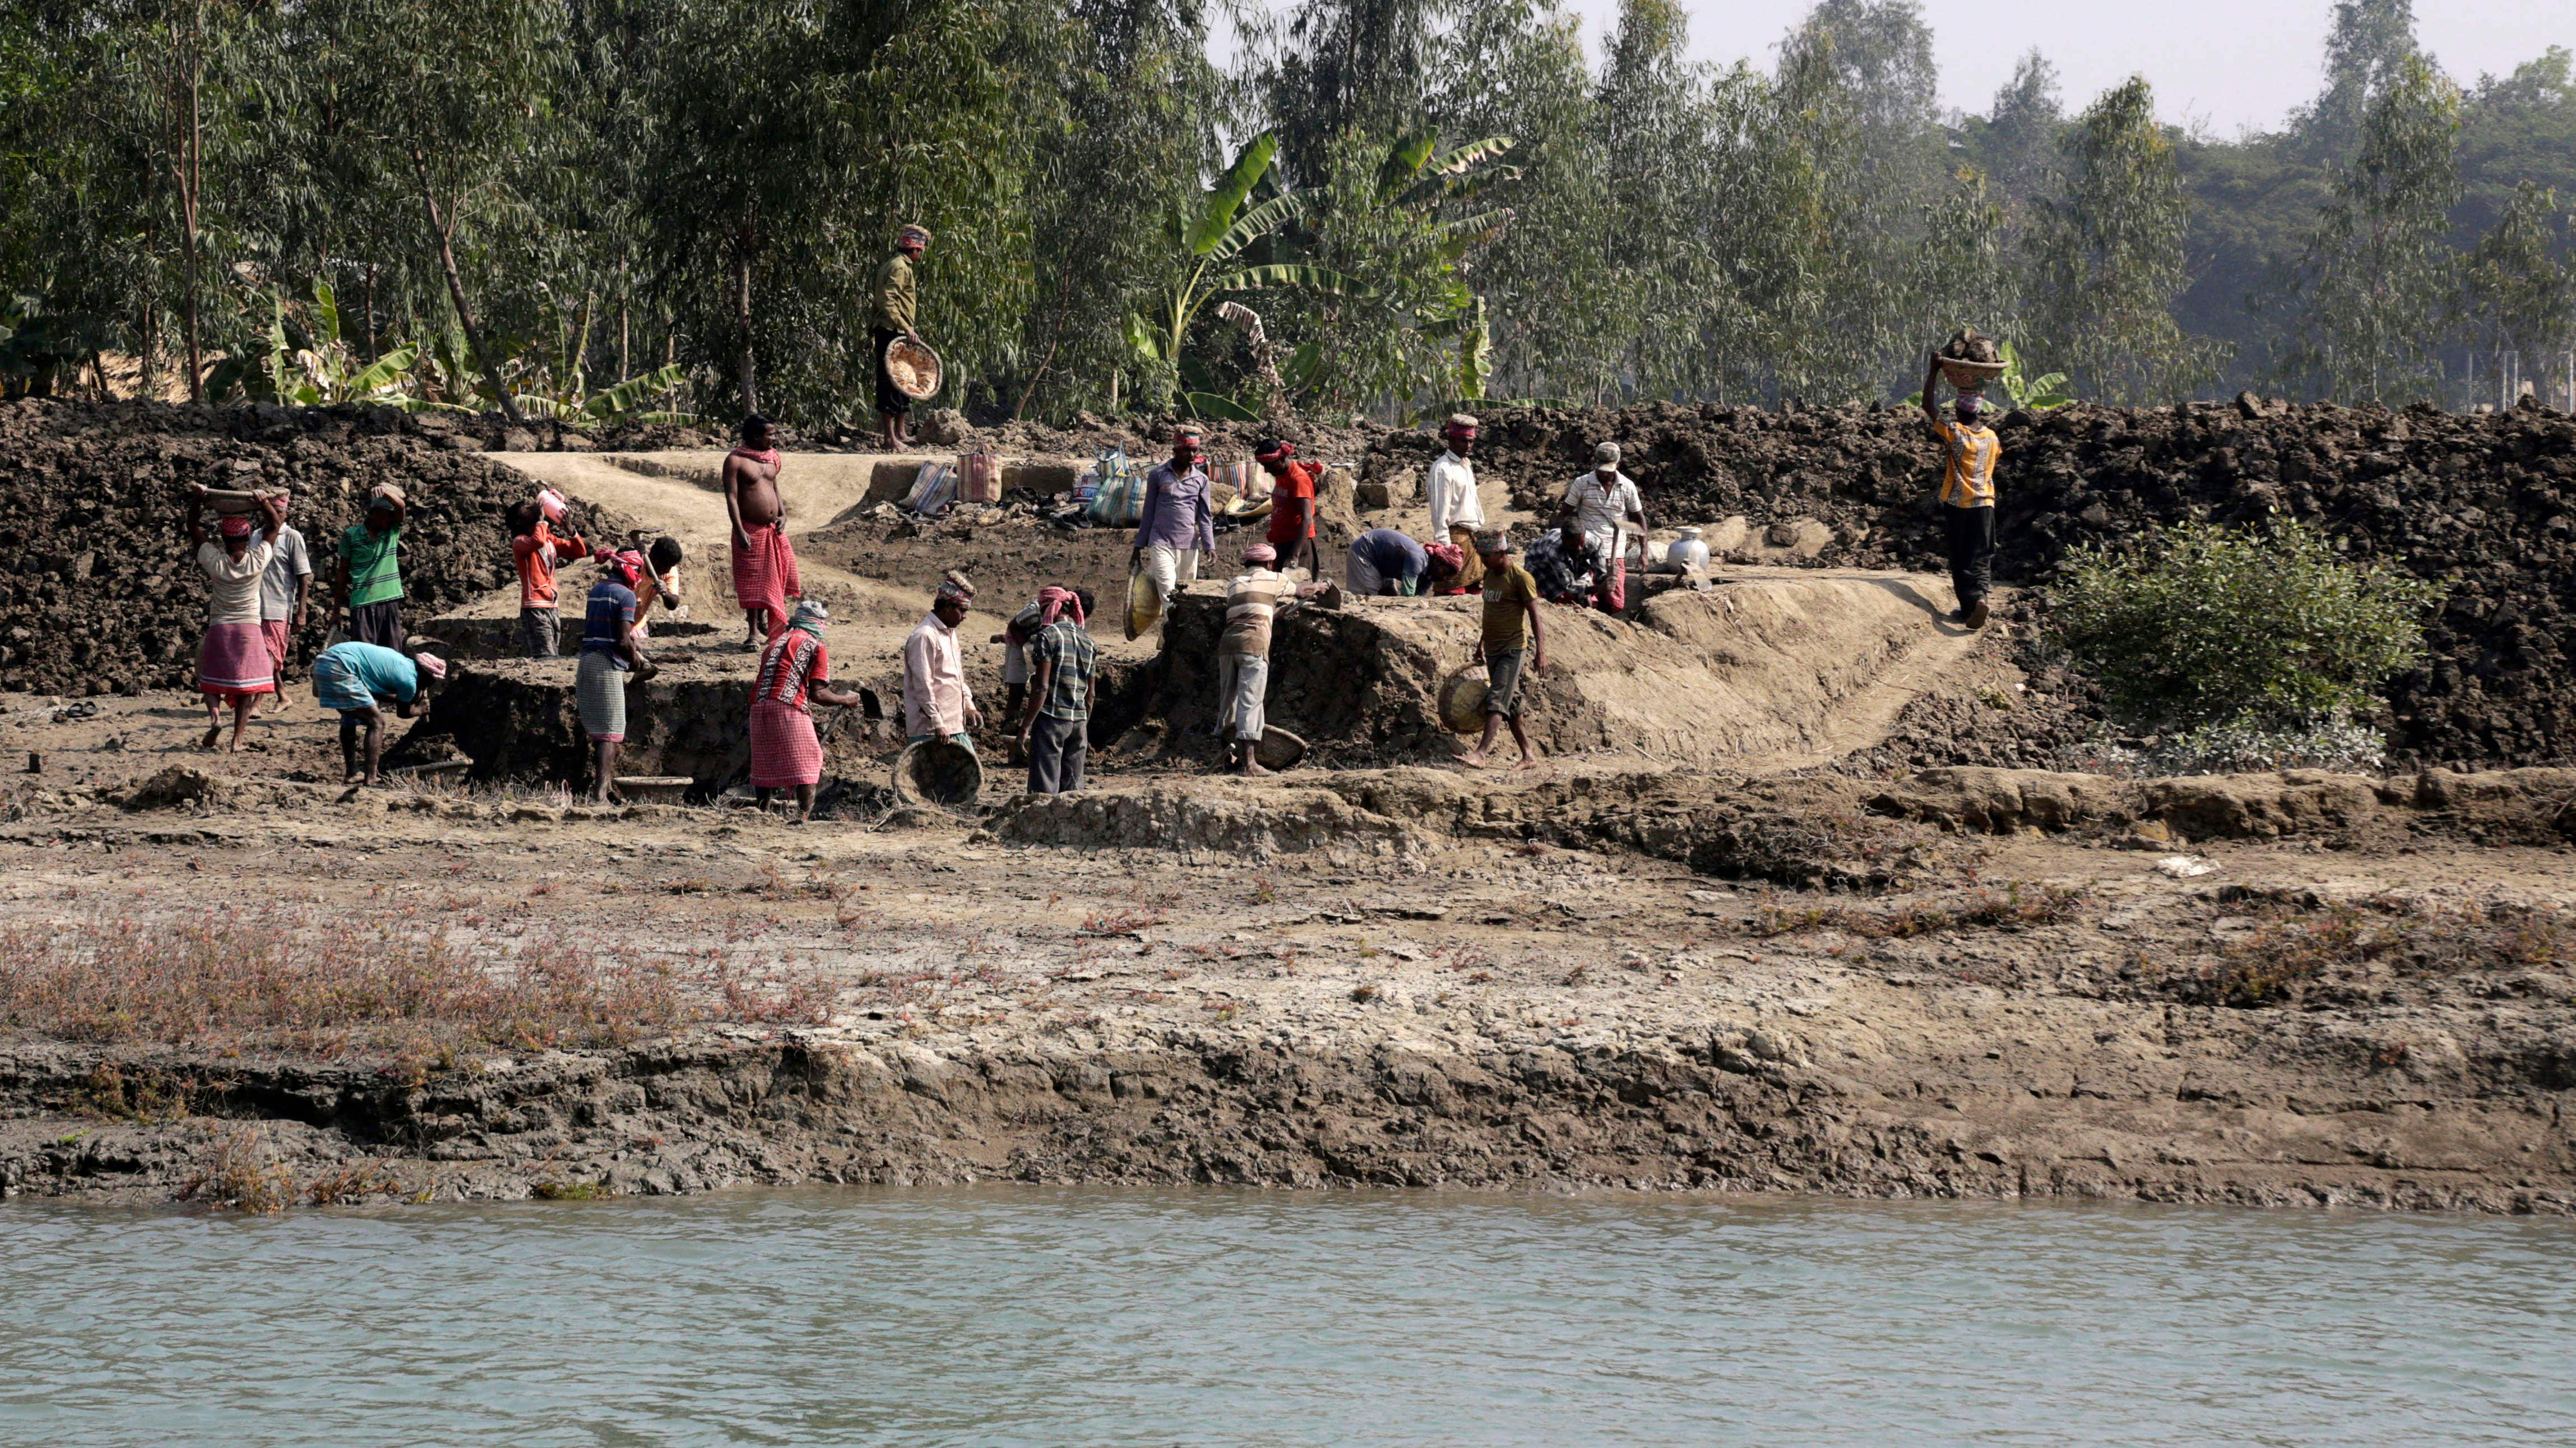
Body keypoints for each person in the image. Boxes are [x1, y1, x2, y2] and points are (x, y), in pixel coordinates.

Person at [186, 489, 284, 752]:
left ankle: (216, 718)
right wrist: (264, 503)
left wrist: (199, 499)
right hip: (248, 630)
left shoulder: (215, 561)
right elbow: (275, 525)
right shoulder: (258, 560)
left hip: (220, 628)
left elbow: (192, 526)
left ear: (224, 538)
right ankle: (237, 740)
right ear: (247, 537)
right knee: (246, 688)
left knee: (210, 679)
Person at [750, 599, 865, 821]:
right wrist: (846, 700)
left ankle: (761, 815)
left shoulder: (775, 643)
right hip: (787, 704)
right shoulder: (815, 646)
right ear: (817, 624)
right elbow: (818, 694)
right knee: (809, 760)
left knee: (765, 762)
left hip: (758, 705)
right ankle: (803, 816)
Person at [1920, 358, 2001, 629]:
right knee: (1981, 556)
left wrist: (1934, 371)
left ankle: (1969, 608)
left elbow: (1928, 407)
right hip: (1985, 504)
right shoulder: (1992, 438)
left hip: (1959, 503)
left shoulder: (1956, 433)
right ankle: (1980, 598)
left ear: (1958, 409)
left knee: (1960, 557)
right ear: (1980, 409)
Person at [1213, 543, 1300, 775]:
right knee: (1251, 701)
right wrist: (1321, 587)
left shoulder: (1235, 583)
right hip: (1254, 645)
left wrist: (1274, 614)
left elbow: (1247, 611)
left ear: (1246, 564)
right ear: (1270, 564)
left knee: (1228, 702)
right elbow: (1302, 592)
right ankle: (1250, 765)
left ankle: (1227, 760)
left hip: (1228, 645)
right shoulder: (1274, 579)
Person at [1463, 530, 1545, 771]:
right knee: (1512, 703)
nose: (1483, 561)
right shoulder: (1489, 576)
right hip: (1492, 649)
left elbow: (1535, 617)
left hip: (1512, 649)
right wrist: (1481, 643)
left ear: (1501, 553)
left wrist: (1541, 651)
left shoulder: (1520, 578)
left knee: (1497, 698)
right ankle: (1528, 755)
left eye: (1486, 556)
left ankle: (1481, 753)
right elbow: (1491, 613)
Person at [309, 640, 444, 786]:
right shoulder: (409, 682)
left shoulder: (401, 664)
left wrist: (411, 702)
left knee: (350, 716)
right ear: (427, 677)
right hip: (342, 667)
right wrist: (420, 710)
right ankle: (371, 778)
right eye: (433, 681)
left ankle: (352, 773)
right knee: (377, 723)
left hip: (325, 661)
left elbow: (372, 692)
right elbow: (403, 713)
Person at [577, 549, 653, 804]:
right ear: (630, 571)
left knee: (601, 732)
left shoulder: (597, 590)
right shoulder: (626, 595)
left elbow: (611, 631)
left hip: (587, 661)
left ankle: (608, 791)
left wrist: (634, 649)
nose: (640, 579)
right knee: (610, 734)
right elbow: (622, 640)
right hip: (606, 665)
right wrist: (636, 663)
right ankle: (600, 797)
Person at [725, 414, 800, 650]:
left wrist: (783, 514)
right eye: (770, 434)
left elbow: (774, 487)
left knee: (775, 580)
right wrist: (739, 530)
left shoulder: (773, 458)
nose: (774, 438)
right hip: (749, 530)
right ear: (756, 436)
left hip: (772, 531)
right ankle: (752, 634)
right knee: (753, 583)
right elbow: (732, 497)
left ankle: (772, 628)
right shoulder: (735, 461)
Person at [1131, 428, 1215, 631]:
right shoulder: (1158, 475)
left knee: (1185, 596)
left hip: (1189, 544)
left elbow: (1205, 516)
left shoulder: (1201, 480)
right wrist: (1138, 545)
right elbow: (1149, 511)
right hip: (1160, 542)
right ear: (1176, 451)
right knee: (1169, 593)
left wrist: (1209, 545)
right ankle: (1172, 633)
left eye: (1195, 450)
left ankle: (1174, 638)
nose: (1193, 455)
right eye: (1188, 450)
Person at [1020, 586, 1099, 795]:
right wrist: (1084, 726)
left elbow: (1041, 686)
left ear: (1048, 610)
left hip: (1052, 720)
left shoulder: (1047, 637)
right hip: (1079, 722)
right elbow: (1090, 694)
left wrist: (1025, 727)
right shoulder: (1088, 642)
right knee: (1073, 792)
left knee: (1044, 789)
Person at [1557, 442, 1648, 614]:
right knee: (1588, 598)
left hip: (1615, 552)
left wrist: (1644, 553)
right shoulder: (1582, 484)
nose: (1605, 474)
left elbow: (1639, 518)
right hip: (1587, 553)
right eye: (1602, 470)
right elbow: (1565, 514)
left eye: (1609, 471)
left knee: (1616, 602)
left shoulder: (1627, 486)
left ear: (1618, 465)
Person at [251, 489, 312, 717]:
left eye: (277, 512)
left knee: (269, 654)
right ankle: (283, 695)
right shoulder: (257, 535)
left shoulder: (292, 537)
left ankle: (256, 702)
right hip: (255, 605)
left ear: (285, 514)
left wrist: (301, 611)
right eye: (269, 511)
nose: (273, 516)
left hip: (278, 606)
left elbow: (303, 576)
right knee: (264, 654)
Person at [904, 578, 983, 747]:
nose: (964, 617)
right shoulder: (925, 636)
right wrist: (937, 723)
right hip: (932, 731)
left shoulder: (950, 634)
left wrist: (969, 706)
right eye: (962, 610)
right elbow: (923, 685)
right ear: (948, 607)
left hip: (954, 725)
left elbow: (956, 678)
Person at [509, 490, 588, 659]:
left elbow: (579, 552)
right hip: (535, 606)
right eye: (525, 508)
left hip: (551, 605)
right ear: (518, 521)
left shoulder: (549, 539)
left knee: (553, 653)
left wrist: (571, 531)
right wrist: (541, 520)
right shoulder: (520, 542)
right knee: (546, 656)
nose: (531, 507)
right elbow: (537, 542)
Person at [873, 224, 930, 450]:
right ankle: (890, 438)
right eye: (921, 251)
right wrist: (905, 326)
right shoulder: (899, 268)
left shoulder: (895, 264)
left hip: (897, 330)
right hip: (891, 330)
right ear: (915, 250)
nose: (921, 256)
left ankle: (901, 433)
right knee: (889, 382)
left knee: (903, 380)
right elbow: (888, 300)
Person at [335, 484, 406, 649]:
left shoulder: (392, 531)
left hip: (389, 600)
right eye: (385, 516)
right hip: (362, 603)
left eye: (390, 516)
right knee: (366, 655)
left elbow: (401, 506)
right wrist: (336, 610)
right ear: (373, 513)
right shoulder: (351, 536)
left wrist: (385, 492)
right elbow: (342, 574)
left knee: (392, 654)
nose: (388, 520)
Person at [1425, 413, 1485, 594]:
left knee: (1475, 594)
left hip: (1471, 541)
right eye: (1464, 441)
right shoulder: (1443, 469)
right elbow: (1440, 512)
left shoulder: (1465, 466)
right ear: (1451, 440)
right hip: (1454, 541)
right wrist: (1445, 549)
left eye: (1471, 442)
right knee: (1452, 594)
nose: (1468, 446)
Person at [1253, 438, 1321, 578]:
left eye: (1269, 466)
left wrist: (1295, 555)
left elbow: (1307, 518)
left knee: (1299, 591)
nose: (1266, 471)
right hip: (1283, 544)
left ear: (1282, 459)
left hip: (1297, 546)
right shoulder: (1281, 474)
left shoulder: (1298, 479)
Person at [1523, 520, 1606, 607]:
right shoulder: (1554, 551)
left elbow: (1600, 574)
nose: (1579, 548)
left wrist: (1607, 580)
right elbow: (1570, 587)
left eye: (1582, 543)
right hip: (1542, 566)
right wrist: (1597, 589)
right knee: (1554, 600)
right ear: (1563, 540)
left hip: (1573, 564)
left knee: (1584, 596)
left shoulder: (1595, 543)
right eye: (1573, 545)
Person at [1346, 526, 1432, 597]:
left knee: (1389, 595)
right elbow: (1407, 596)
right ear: (1438, 563)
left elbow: (1419, 597)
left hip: (1384, 564)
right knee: (1367, 598)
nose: (1446, 578)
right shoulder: (1417, 560)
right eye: (1445, 572)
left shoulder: (1430, 575)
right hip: (1365, 552)